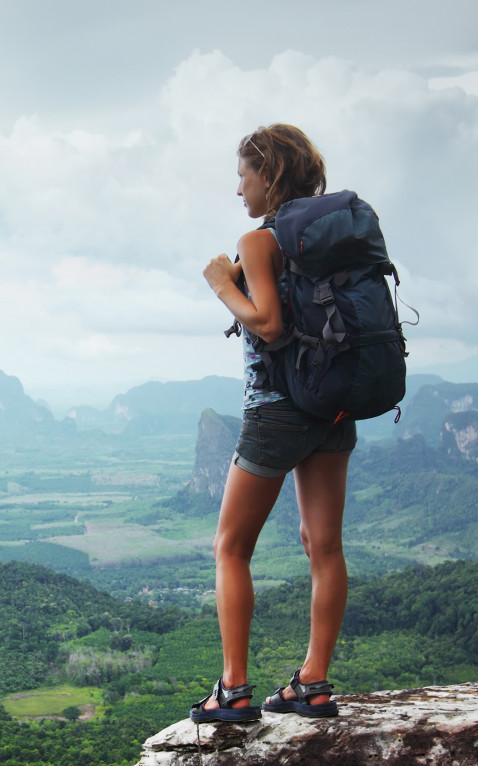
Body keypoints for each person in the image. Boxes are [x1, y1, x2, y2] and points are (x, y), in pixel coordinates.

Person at [193, 123, 347, 723]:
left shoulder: (260, 240)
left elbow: (269, 324)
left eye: (244, 176)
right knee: (324, 545)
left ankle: (233, 689)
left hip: (278, 408)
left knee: (230, 547)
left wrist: (220, 284)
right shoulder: (333, 239)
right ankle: (313, 683)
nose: (239, 190)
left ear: (270, 174)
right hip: (334, 403)